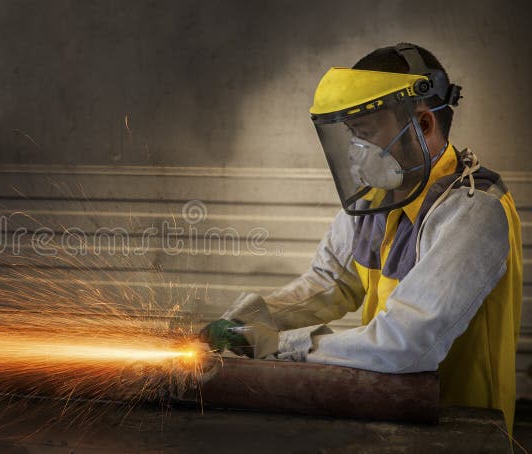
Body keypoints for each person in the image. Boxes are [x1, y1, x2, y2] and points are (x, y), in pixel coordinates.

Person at [199, 43, 522, 430]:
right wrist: (249, 321)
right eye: (352, 134)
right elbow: (330, 282)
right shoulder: (377, 199)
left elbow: (404, 344)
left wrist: (279, 345)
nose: (355, 151)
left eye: (366, 134)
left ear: (423, 125)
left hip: (460, 426)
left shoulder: (473, 210)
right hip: (393, 412)